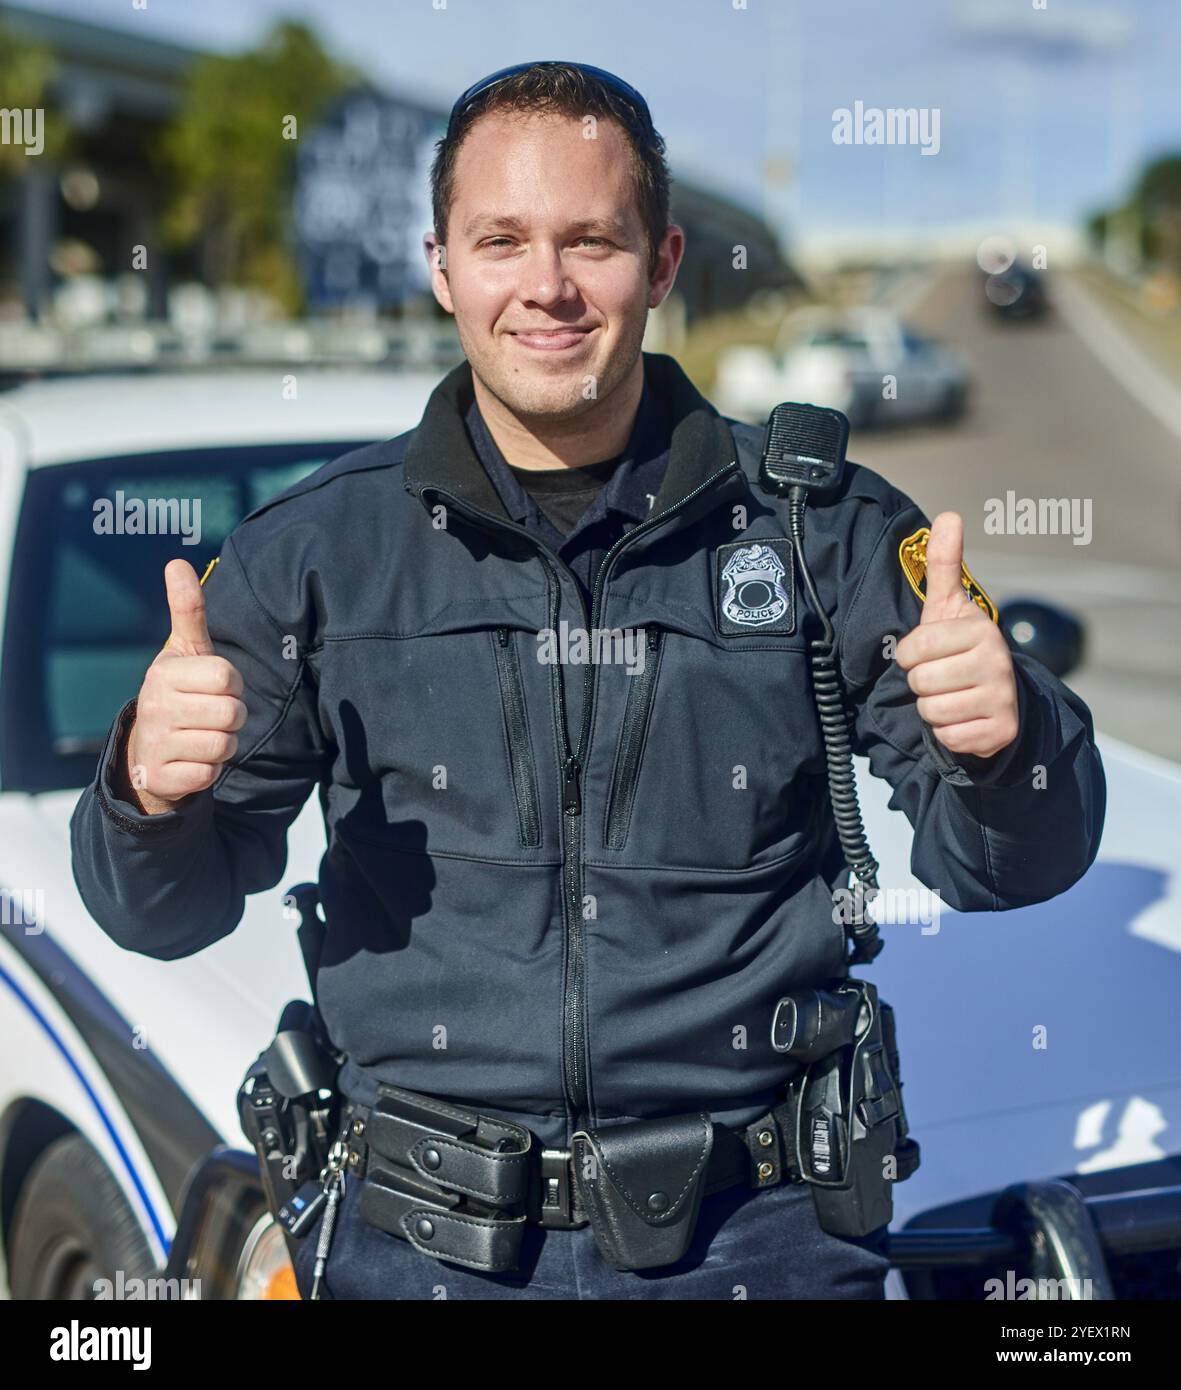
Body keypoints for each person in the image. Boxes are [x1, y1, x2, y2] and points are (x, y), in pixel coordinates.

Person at [70, 61, 1105, 1300]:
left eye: (590, 241)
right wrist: (145, 788)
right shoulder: (312, 556)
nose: (545, 285)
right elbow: (158, 914)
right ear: (442, 267)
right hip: (416, 1246)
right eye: (499, 239)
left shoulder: (816, 531)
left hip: (754, 1241)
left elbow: (1013, 864)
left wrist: (1008, 743)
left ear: (661, 264)